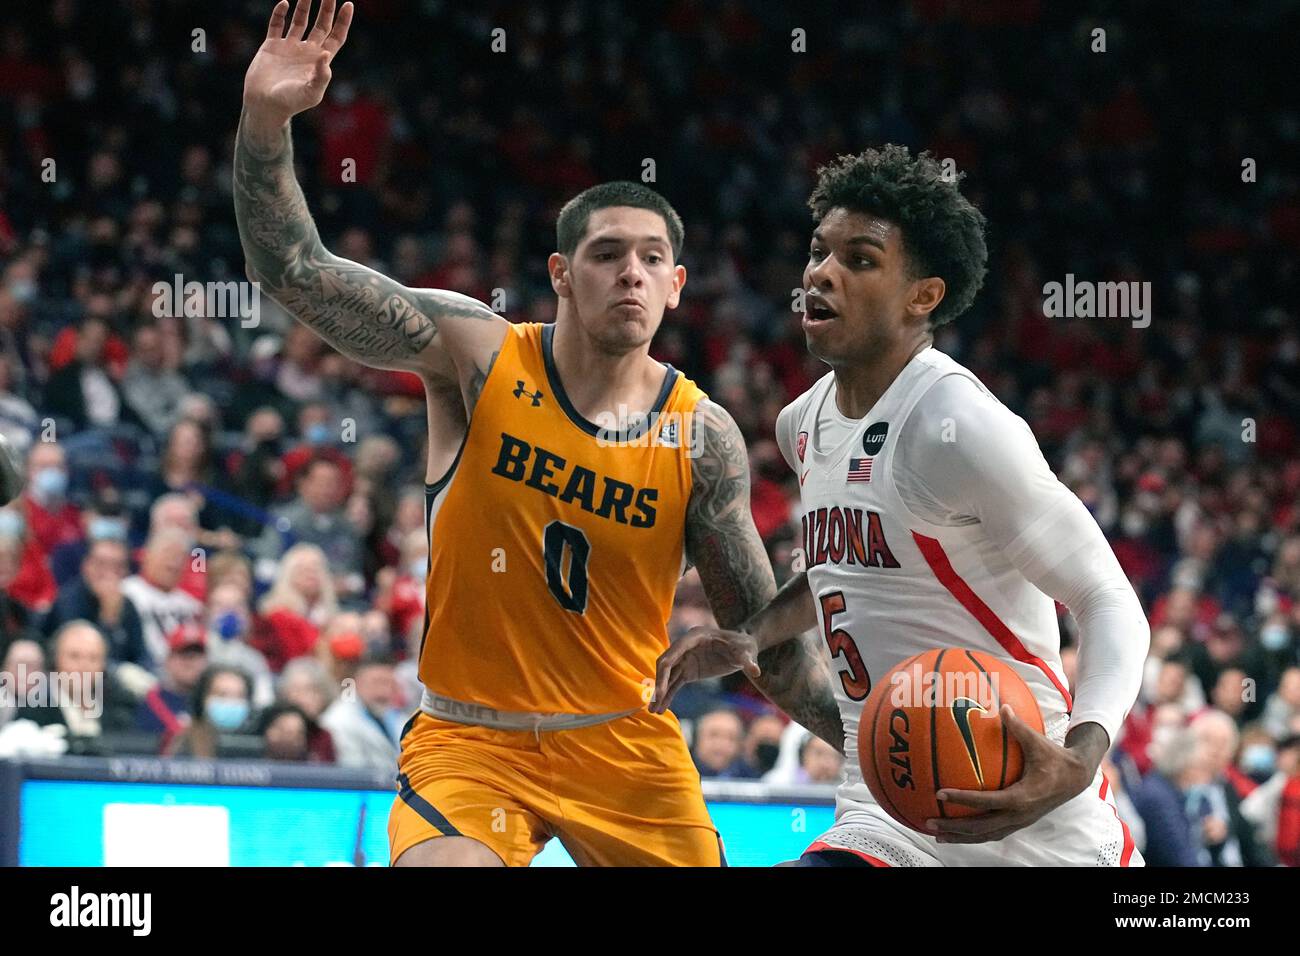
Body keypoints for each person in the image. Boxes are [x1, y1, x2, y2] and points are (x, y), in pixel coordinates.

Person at [235, 0, 839, 867]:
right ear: (560, 272)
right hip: (469, 743)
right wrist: (264, 121)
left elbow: (765, 650)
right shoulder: (475, 355)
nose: (629, 272)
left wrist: (871, 741)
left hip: (625, 744)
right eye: (605, 254)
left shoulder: (701, 438)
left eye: (650, 259)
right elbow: (292, 270)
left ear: (676, 285)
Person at [654, 146, 1149, 867]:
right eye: (819, 251)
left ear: (923, 296)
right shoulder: (802, 424)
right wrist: (753, 636)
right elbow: (845, 568)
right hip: (885, 813)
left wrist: (1079, 756)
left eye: (859, 260)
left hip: (1024, 811)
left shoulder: (959, 425)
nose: (820, 272)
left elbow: (1109, 600)